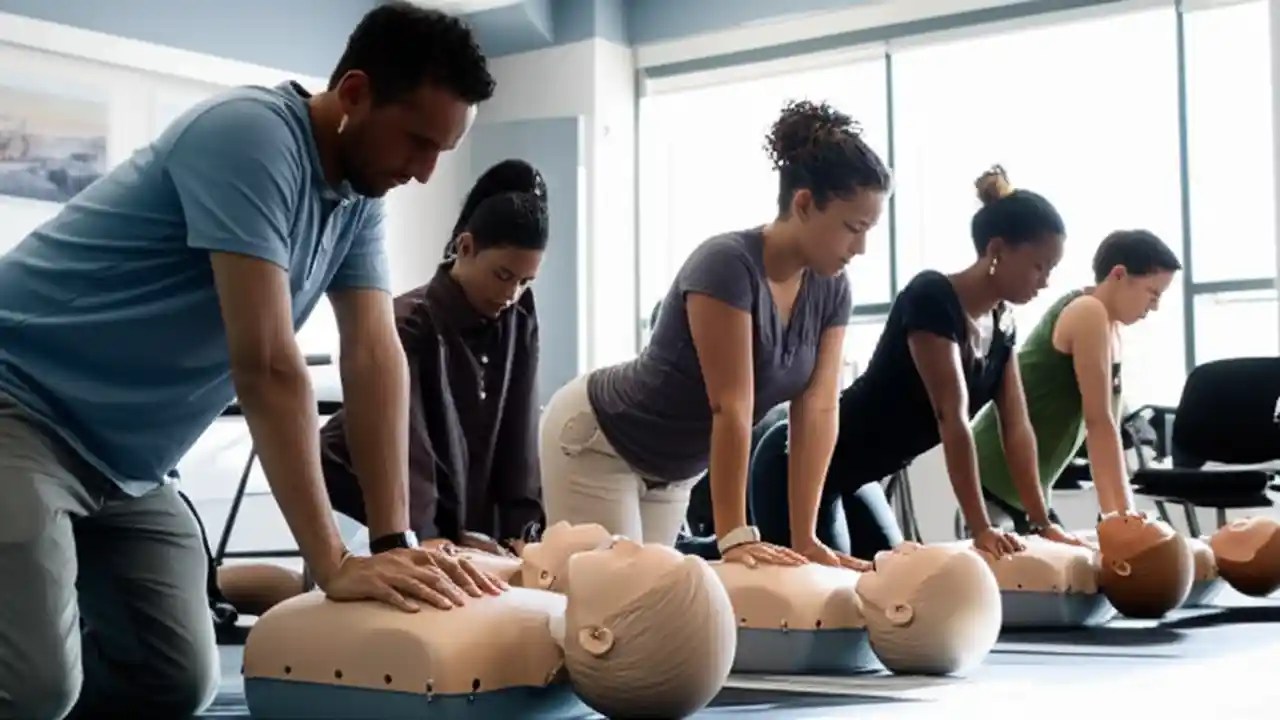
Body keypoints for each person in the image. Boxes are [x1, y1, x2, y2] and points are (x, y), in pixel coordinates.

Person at [0, 4, 502, 718]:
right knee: (36, 690)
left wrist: (392, 541)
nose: (424, 173)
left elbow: (372, 352)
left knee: (174, 682)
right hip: (20, 407)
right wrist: (330, 562)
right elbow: (267, 364)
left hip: (129, 466)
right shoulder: (250, 137)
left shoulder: (358, 197)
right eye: (418, 142)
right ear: (355, 94)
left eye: (440, 154)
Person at [539, 99, 891, 569]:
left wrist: (804, 537)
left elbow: (819, 408)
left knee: (651, 609)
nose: (862, 247)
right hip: (601, 440)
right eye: (854, 228)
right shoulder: (727, 264)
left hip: (675, 469)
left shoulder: (832, 290)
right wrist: (734, 537)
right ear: (804, 203)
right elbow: (732, 404)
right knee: (606, 602)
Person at [750, 165, 1069, 561]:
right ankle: (694, 552)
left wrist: (1041, 522)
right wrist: (981, 528)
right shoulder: (932, 296)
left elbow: (1017, 429)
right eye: (1039, 266)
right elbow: (950, 418)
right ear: (997, 250)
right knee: (830, 592)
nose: (1045, 281)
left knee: (898, 586)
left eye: (1051, 269)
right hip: (795, 465)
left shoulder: (1003, 326)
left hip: (855, 479)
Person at [321, 158, 548, 555]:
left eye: (525, 281)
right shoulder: (408, 323)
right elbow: (408, 448)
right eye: (503, 275)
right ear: (466, 247)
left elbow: (519, 429)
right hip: (364, 488)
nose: (512, 293)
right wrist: (433, 537)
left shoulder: (519, 311)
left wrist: (521, 532)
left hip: (439, 510)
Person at [973, 230, 1181, 532]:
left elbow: (1106, 425)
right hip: (997, 468)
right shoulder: (1088, 312)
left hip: (1029, 480)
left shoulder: (1113, 329)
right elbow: (1099, 423)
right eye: (1153, 293)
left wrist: (1122, 516)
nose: (1155, 306)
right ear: (1119, 275)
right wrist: (1122, 519)